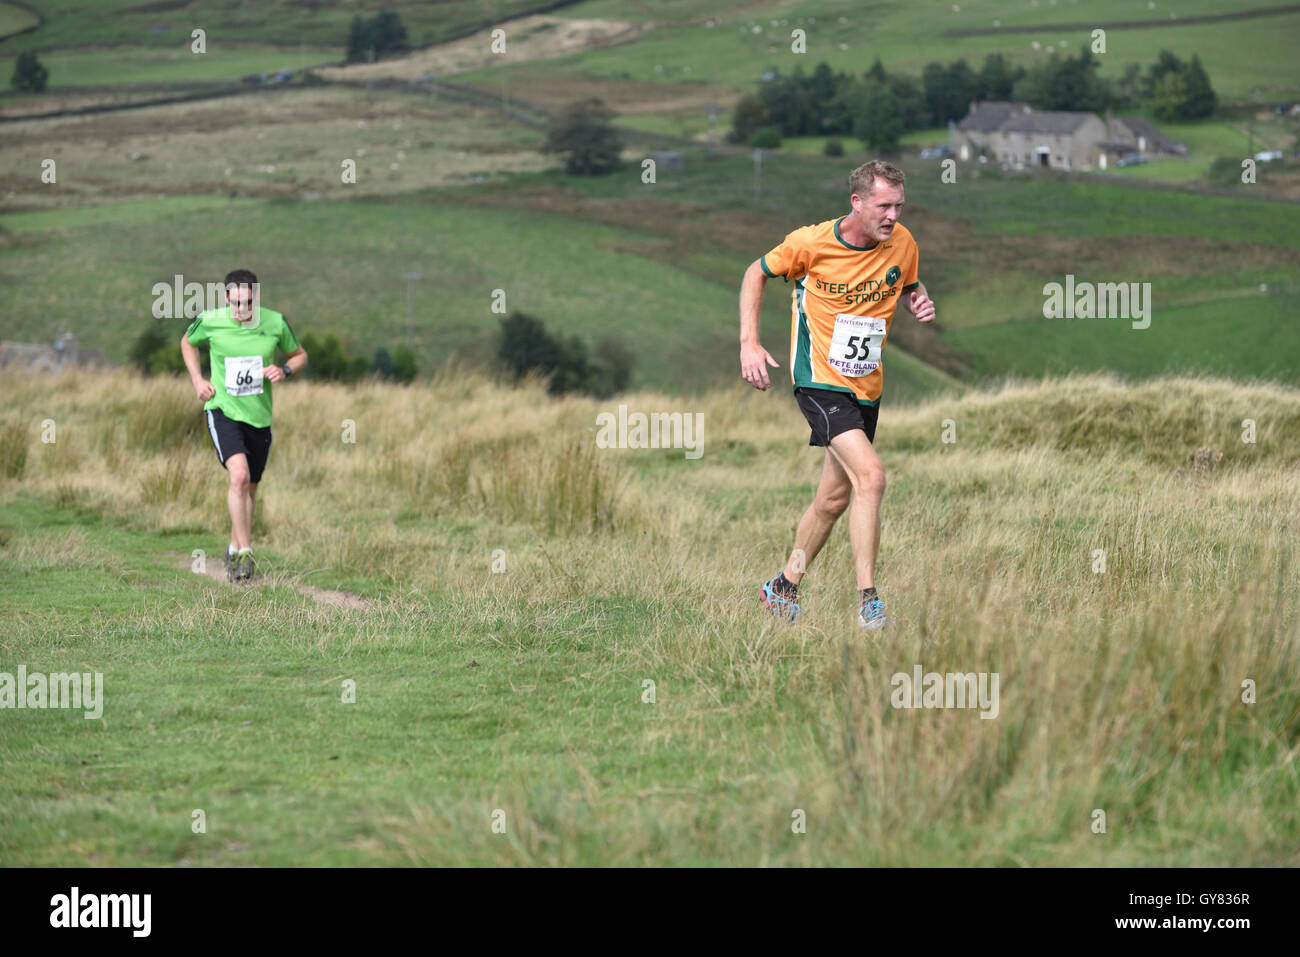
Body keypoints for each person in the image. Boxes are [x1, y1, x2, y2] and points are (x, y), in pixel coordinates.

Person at [739, 160, 936, 629]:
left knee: (832, 501)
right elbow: (755, 272)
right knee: (872, 475)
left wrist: (918, 299)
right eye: (884, 206)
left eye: (899, 207)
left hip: (866, 388)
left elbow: (909, 284)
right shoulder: (811, 243)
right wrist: (749, 341)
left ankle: (781, 589)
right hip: (819, 381)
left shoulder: (903, 243)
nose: (893, 216)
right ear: (858, 202)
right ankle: (870, 604)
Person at [180, 269, 307, 582]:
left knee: (250, 488)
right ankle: (245, 554)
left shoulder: (275, 322)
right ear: (226, 298)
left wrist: (285, 370)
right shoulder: (210, 320)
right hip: (223, 410)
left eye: (247, 303)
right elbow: (187, 341)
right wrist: (198, 380)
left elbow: (300, 354)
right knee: (239, 476)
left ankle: (234, 548)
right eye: (235, 303)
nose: (241, 310)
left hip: (259, 417)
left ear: (256, 298)